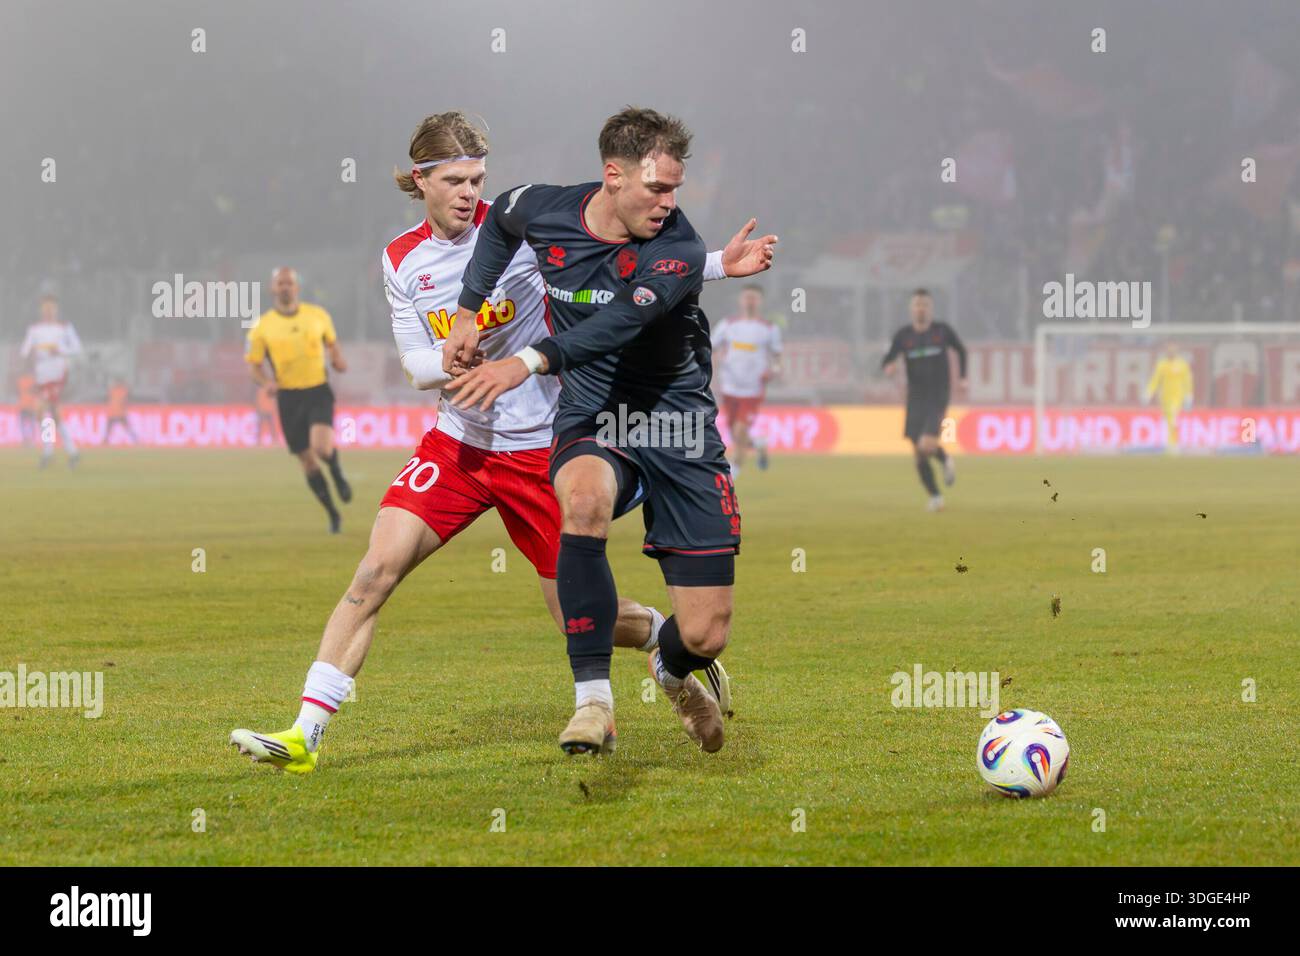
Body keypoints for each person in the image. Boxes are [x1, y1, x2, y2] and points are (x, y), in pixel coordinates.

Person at [230, 111, 769, 773]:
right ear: (421, 179)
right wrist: (455, 359)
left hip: (539, 444)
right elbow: (412, 363)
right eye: (454, 179)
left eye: (477, 178)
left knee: (572, 609)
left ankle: (665, 645)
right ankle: (303, 735)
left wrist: (713, 265)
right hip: (457, 444)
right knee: (375, 571)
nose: (468, 192)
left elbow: (623, 274)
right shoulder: (401, 257)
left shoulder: (519, 228)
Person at [445, 107, 777, 756]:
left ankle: (672, 668)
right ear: (613, 176)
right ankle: (592, 703)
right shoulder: (543, 207)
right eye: (657, 188)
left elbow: (617, 324)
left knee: (706, 633)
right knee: (584, 502)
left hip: (679, 426)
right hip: (596, 414)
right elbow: (500, 226)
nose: (668, 202)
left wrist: (529, 360)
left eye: (675, 189)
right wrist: (466, 309)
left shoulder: (676, 247)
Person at [245, 268, 352, 532]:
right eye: (280, 283)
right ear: (272, 288)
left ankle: (336, 470)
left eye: (289, 283)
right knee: (307, 460)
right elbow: (254, 366)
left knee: (322, 449)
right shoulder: (262, 326)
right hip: (288, 397)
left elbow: (332, 343)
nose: (285, 287)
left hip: (317, 390)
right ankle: (332, 514)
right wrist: (266, 382)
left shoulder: (317, 316)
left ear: (297, 288)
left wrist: (337, 358)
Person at [881, 289, 967, 511]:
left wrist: (963, 377)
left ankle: (945, 459)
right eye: (917, 305)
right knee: (918, 453)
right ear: (912, 309)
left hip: (938, 394)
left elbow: (961, 350)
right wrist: (888, 366)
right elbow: (889, 357)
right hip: (915, 396)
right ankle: (936, 496)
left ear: (931, 308)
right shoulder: (903, 336)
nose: (921, 309)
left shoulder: (942, 331)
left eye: (925, 305)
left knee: (926, 444)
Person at [712, 284, 782, 475]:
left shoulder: (769, 329)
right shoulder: (727, 325)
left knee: (740, 432)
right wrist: (713, 370)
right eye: (747, 297)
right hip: (729, 387)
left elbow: (777, 358)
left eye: (754, 298)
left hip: (752, 390)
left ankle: (732, 475)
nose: (750, 301)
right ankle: (758, 443)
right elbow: (710, 348)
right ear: (740, 300)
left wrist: (773, 371)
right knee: (737, 435)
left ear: (760, 301)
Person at [20, 293, 82, 468]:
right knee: (52, 414)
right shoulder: (34, 329)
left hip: (57, 373)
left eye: (51, 307)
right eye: (45, 307)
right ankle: (72, 452)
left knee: (41, 409)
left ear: (56, 309)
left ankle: (48, 452)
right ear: (41, 309)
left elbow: (77, 348)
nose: (48, 310)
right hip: (42, 374)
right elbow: (24, 350)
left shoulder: (64, 327)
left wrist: (60, 350)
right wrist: (28, 355)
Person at [1145, 341, 1192, 454]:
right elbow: (1155, 380)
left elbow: (1187, 381)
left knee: (1173, 418)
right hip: (1165, 397)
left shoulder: (1182, 365)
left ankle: (1173, 445)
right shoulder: (1162, 365)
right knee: (1169, 420)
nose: (1171, 352)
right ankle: (1171, 444)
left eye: (1173, 349)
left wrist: (1189, 395)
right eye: (1169, 350)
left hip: (1177, 396)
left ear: (1176, 351)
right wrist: (1148, 393)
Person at [100, 378, 137, 444]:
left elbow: (126, 399)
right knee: (108, 428)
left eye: (117, 383)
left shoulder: (123, 390)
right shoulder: (113, 390)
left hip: (120, 413)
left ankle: (135, 439)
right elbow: (108, 399)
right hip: (113, 412)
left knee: (127, 427)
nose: (116, 384)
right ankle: (105, 441)